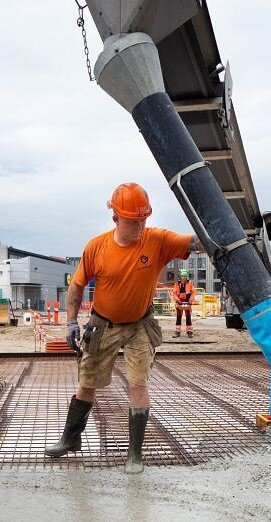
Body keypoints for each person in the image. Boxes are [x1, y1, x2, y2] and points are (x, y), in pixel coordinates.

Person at [45, 182, 198, 473]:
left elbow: (194, 243)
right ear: (115, 218)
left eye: (143, 219)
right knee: (87, 382)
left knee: (138, 383)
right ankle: (70, 439)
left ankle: (134, 455)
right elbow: (76, 286)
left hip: (140, 324)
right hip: (103, 324)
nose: (140, 226)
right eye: (133, 221)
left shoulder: (157, 240)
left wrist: (221, 234)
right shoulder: (97, 247)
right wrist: (71, 321)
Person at [173, 268, 196, 338]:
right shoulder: (177, 284)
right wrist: (178, 300)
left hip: (187, 302)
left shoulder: (190, 284)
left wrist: (190, 300)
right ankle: (177, 331)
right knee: (178, 317)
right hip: (179, 303)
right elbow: (174, 293)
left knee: (188, 317)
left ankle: (189, 331)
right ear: (180, 276)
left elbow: (193, 293)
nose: (184, 278)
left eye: (185, 276)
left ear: (187, 277)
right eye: (182, 276)